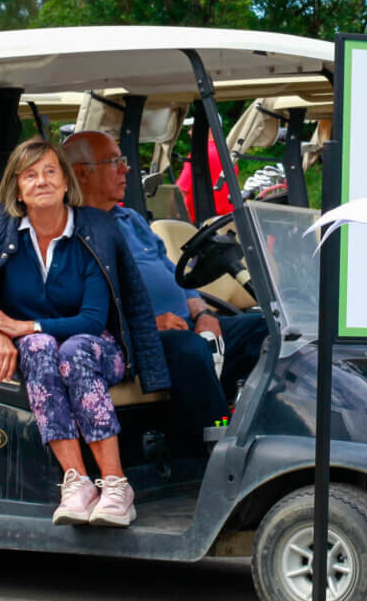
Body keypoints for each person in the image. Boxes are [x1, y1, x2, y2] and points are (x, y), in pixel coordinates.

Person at [0, 138, 171, 528]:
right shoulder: (4, 232)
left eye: (50, 172)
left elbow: (92, 319)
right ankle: (76, 483)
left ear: (65, 182)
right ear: (17, 189)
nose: (42, 181)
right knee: (38, 347)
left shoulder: (94, 229)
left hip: (97, 346)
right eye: (30, 175)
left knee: (73, 350)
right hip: (34, 349)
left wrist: (23, 326)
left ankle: (116, 485)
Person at [63, 131, 266, 449]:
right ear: (81, 172)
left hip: (186, 323)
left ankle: (263, 429)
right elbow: (80, 302)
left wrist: (203, 313)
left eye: (123, 160)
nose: (126, 169)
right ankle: (216, 447)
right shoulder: (72, 230)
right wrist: (148, 325)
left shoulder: (130, 218)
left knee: (266, 330)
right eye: (114, 162)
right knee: (189, 349)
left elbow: (174, 273)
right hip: (134, 338)